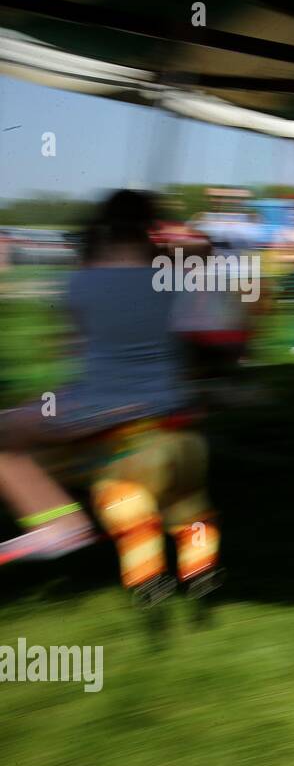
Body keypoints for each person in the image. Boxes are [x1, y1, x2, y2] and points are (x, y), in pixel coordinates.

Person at [0, 189, 193, 562]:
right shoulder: (174, 278)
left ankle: (59, 525)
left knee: (6, 431)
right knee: (36, 416)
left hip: (103, 406)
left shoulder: (79, 283)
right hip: (167, 400)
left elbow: (67, 348)